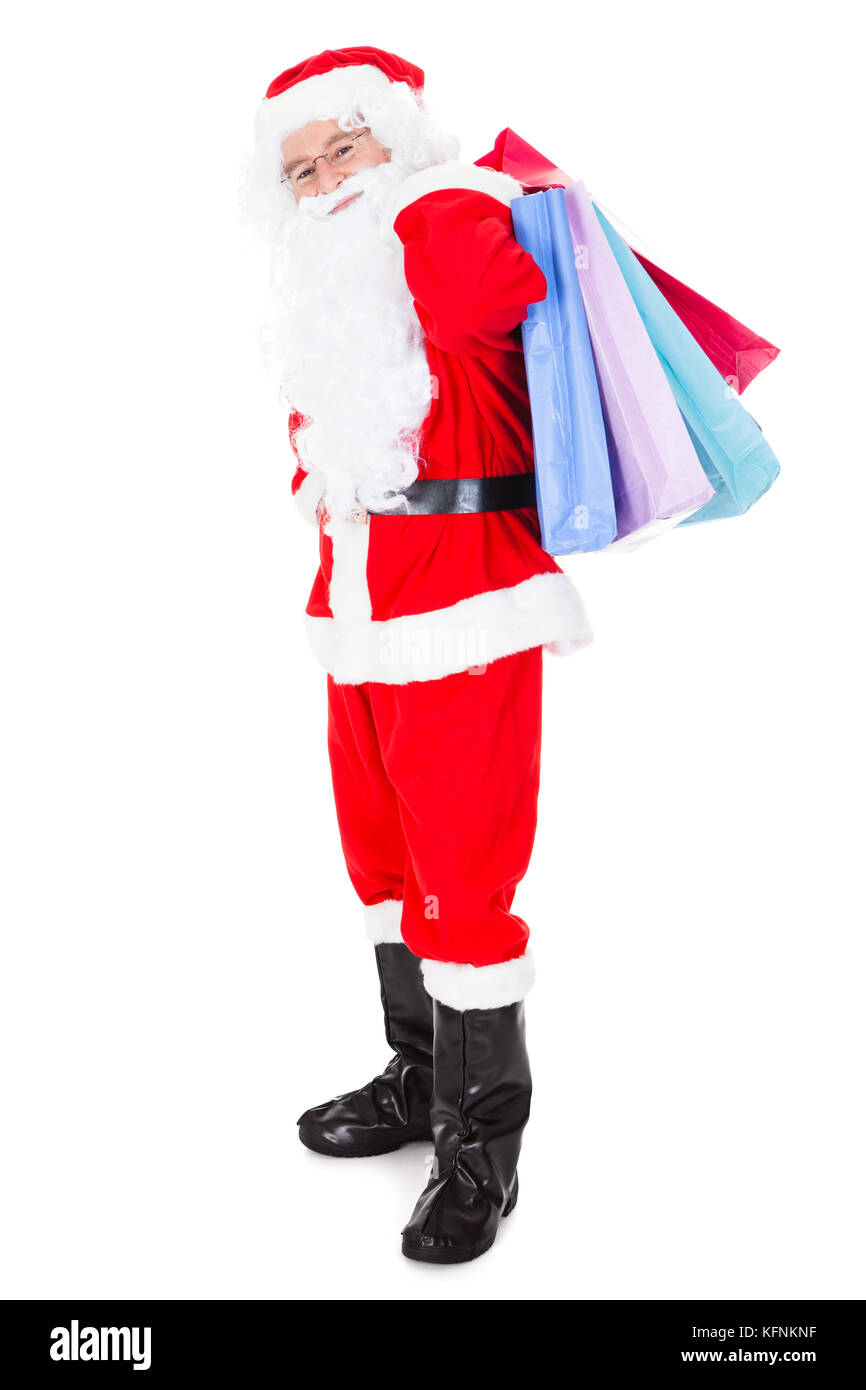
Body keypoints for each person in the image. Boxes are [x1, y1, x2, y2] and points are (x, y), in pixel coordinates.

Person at [240, 45, 593, 1265]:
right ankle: (413, 1076)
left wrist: (425, 186)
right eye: (301, 169)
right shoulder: (336, 289)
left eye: (345, 146)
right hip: (356, 612)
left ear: (396, 137)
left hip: (465, 610)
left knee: (464, 878)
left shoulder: (445, 221)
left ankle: (480, 1144)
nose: (325, 180)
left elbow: (482, 303)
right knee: (383, 861)